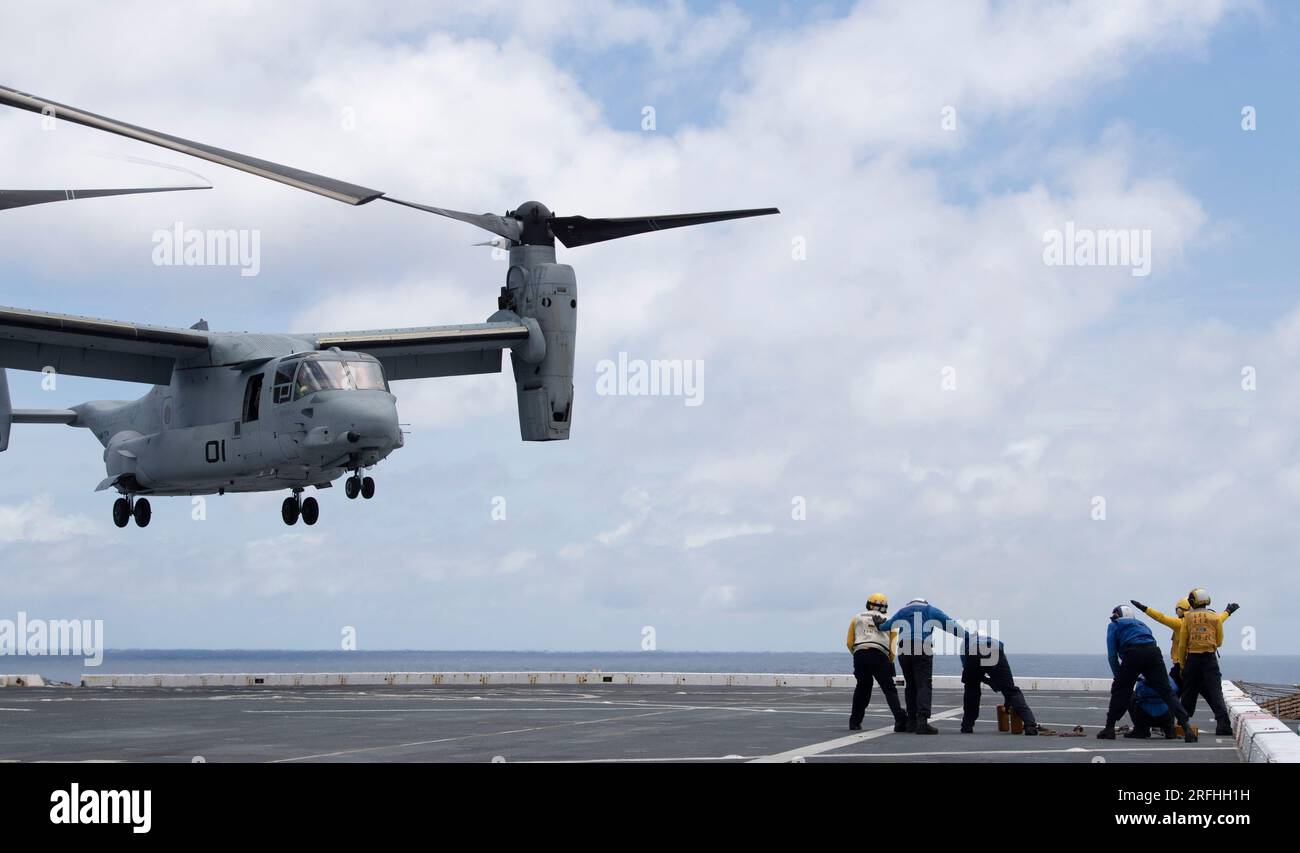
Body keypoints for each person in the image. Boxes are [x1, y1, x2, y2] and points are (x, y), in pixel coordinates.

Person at [1100, 604, 1195, 742]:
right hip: (1153, 653)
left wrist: (1118, 676)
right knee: (1167, 692)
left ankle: (1109, 729)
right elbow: (1152, 642)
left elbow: (1112, 656)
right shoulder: (1141, 624)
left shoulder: (1114, 625)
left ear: (1116, 616)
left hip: (1132, 653)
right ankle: (1187, 729)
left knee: (1121, 690)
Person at [878, 598, 967, 734]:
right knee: (923, 684)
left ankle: (911, 722)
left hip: (903, 649)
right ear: (924, 602)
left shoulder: (903, 611)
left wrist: (879, 625)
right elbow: (951, 625)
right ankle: (922, 722)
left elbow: (887, 626)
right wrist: (967, 636)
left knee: (911, 685)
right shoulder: (930, 610)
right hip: (922, 647)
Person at [1132, 595, 1236, 692]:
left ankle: (1176, 711)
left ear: (1179, 610)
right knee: (1210, 694)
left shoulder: (1178, 623)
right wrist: (1228, 611)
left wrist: (1145, 609)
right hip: (1199, 661)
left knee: (1171, 693)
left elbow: (1160, 617)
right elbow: (1220, 618)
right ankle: (1220, 711)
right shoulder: (1204, 621)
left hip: (1182, 665)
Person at [845, 593, 908, 733]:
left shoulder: (857, 617)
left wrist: (857, 654)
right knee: (889, 689)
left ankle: (855, 722)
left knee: (862, 688)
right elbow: (893, 645)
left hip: (860, 653)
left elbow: (849, 642)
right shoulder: (890, 619)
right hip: (880, 655)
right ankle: (900, 720)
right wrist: (890, 660)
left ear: (868, 604)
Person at [1178, 588, 1234, 736]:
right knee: (1216, 692)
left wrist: (1183, 665)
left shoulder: (1187, 618)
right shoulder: (1215, 617)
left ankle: (1182, 724)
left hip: (1193, 659)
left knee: (1188, 693)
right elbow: (1219, 641)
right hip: (1210, 659)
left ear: (1192, 602)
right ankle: (1223, 725)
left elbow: (1182, 644)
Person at [958, 633, 1039, 736]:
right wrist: (1006, 696)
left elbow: (969, 673)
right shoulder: (995, 641)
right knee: (1011, 691)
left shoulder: (965, 643)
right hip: (994, 650)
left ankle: (967, 726)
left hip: (973, 652)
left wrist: (989, 681)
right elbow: (1004, 677)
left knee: (971, 689)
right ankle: (1030, 726)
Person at [1126, 676, 1176, 740]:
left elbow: (1138, 691)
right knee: (1173, 699)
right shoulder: (1167, 678)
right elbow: (1174, 689)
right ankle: (1169, 731)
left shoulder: (1142, 679)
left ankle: (1140, 730)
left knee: (1130, 695)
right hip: (1165, 716)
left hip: (1145, 716)